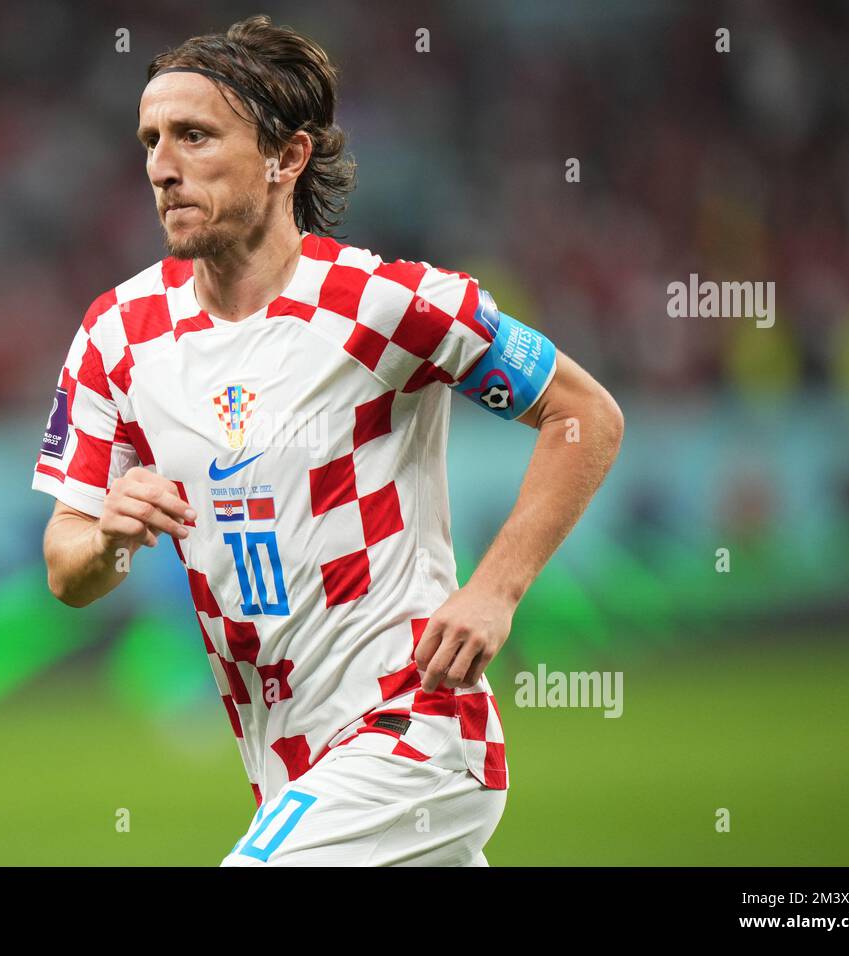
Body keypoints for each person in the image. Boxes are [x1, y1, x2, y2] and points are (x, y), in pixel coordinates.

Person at [34, 15, 623, 866]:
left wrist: (495, 590)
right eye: (151, 140)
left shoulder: (387, 305)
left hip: (416, 734)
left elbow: (586, 416)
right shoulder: (118, 334)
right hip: (292, 770)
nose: (163, 166)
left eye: (196, 136)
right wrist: (109, 537)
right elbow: (66, 569)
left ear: (288, 158)